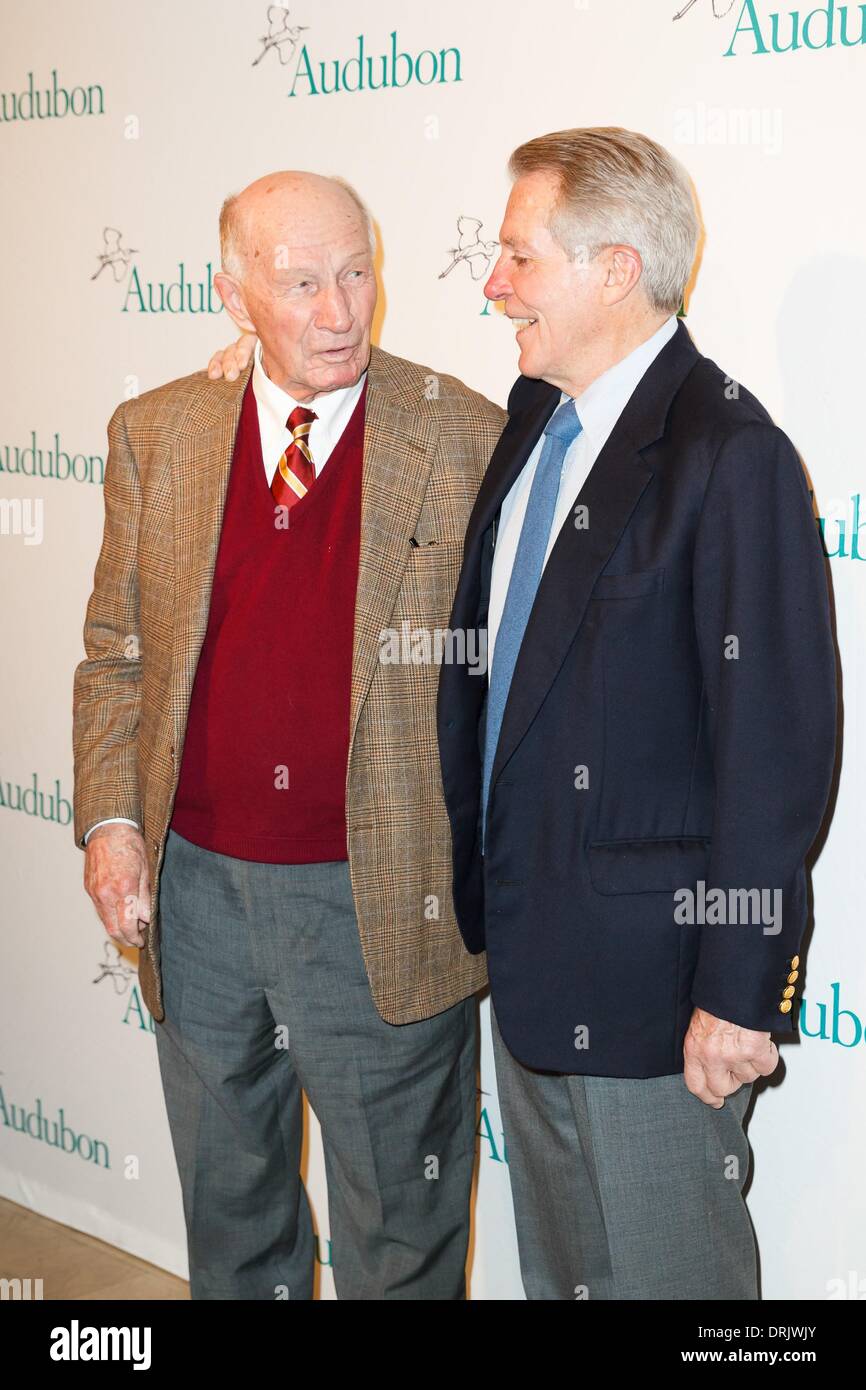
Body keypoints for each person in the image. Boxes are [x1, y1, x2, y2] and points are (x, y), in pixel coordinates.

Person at [73, 170, 505, 1300]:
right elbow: (115, 652)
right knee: (232, 1220)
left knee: (400, 1237)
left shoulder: (464, 435)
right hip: (198, 897)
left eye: (357, 272)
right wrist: (113, 825)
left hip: (382, 902)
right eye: (302, 283)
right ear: (231, 296)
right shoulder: (157, 432)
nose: (341, 312)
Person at [436, 127, 837, 1300]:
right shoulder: (528, 420)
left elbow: (775, 750)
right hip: (529, 957)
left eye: (519, 257)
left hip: (662, 994)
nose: (491, 282)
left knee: (674, 1291)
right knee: (566, 1279)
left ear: (614, 269)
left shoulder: (729, 454)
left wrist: (735, 987)